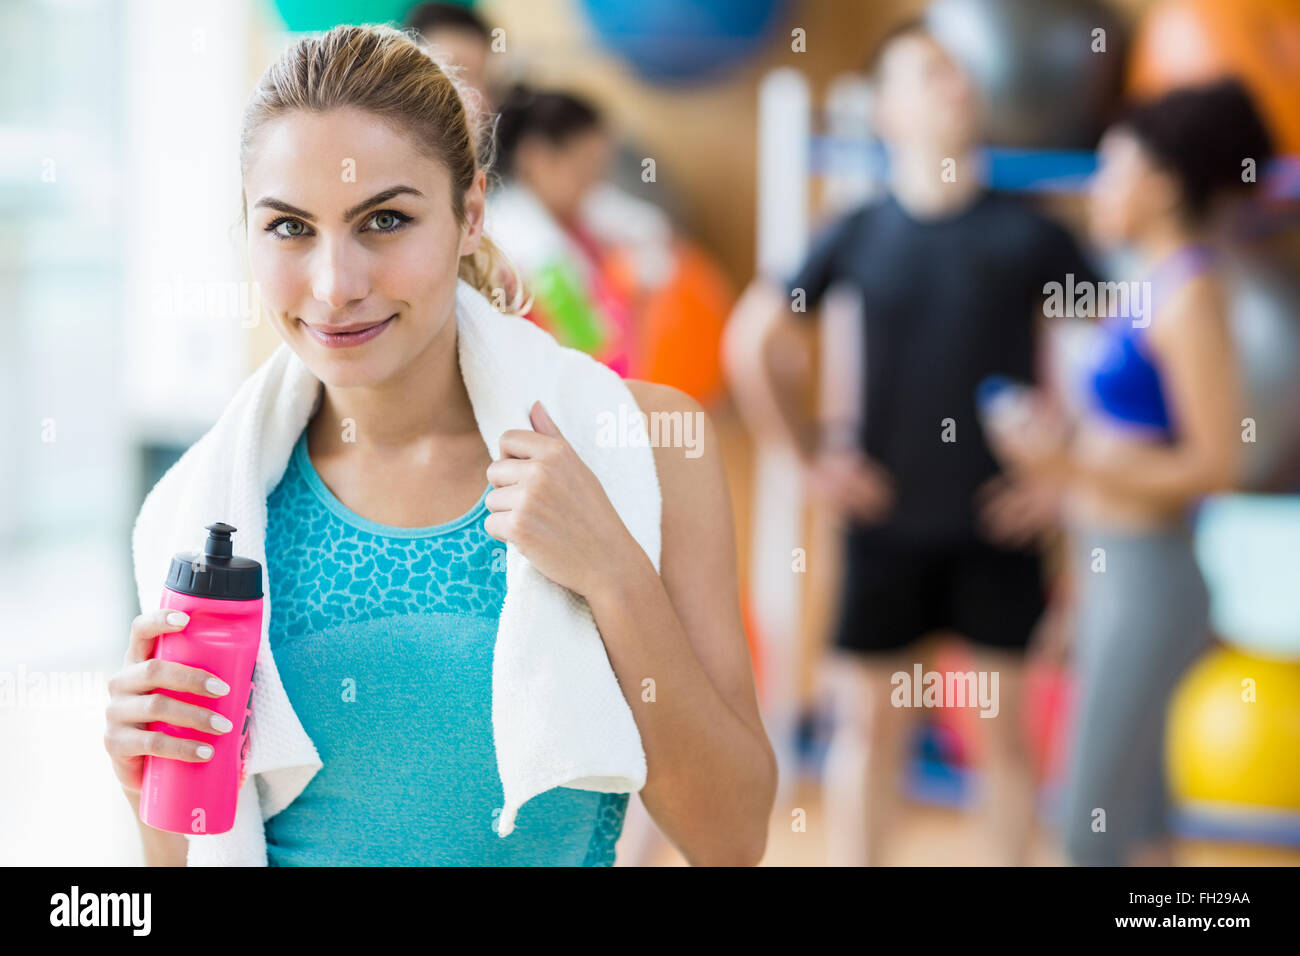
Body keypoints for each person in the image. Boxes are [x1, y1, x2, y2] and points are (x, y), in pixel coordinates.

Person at [105, 24, 775, 867]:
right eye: (289, 228)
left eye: (384, 219)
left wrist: (611, 570)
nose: (336, 285)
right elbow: (186, 860)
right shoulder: (204, 508)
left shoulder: (639, 446)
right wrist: (149, 794)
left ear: (470, 214)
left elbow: (734, 835)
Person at [723, 18, 1101, 866]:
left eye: (960, 72)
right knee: (872, 732)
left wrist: (1064, 478)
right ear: (886, 109)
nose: (955, 85)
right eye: (930, 74)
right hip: (886, 523)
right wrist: (808, 455)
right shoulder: (858, 231)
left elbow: (1112, 361)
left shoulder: (1037, 235)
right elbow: (755, 339)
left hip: (998, 525)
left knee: (1003, 743)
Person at [985, 79, 1275, 866]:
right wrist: (1055, 473)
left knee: (1089, 828)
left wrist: (1069, 464)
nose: (1097, 189)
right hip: (1114, 568)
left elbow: (1217, 463)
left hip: (1153, 583)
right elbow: (1125, 434)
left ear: (1162, 183)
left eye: (1112, 171)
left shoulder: (1192, 295)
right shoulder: (1146, 282)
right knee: (1138, 822)